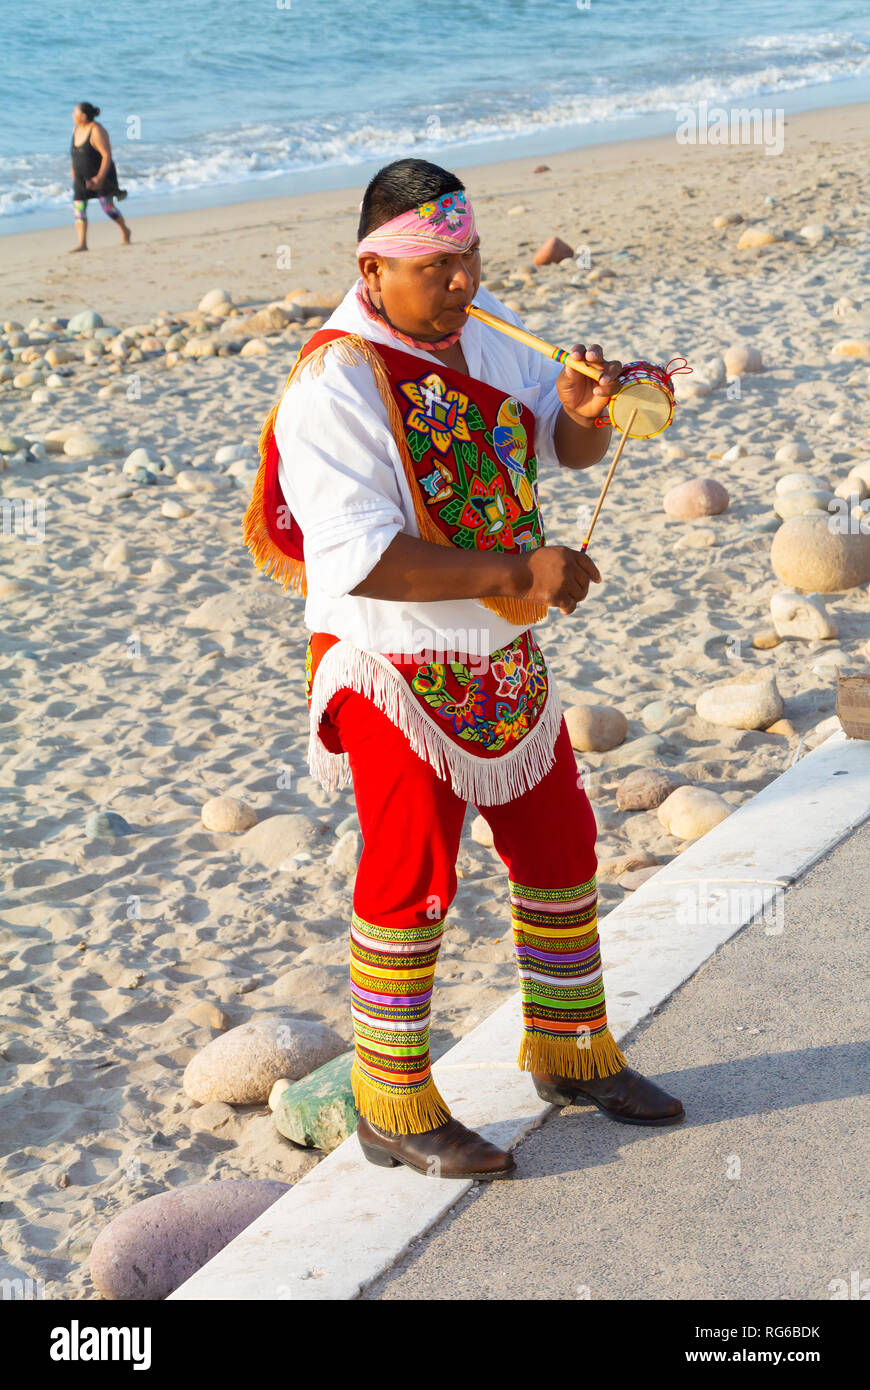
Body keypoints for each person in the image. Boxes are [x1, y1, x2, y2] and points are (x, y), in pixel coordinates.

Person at [244, 158, 685, 1181]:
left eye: (471, 256)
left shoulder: (478, 334)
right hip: (390, 660)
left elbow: (559, 446)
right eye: (438, 265)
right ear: (374, 266)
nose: (463, 281)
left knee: (562, 845)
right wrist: (522, 570)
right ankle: (393, 1104)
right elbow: (361, 554)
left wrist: (584, 409)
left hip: (499, 652)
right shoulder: (336, 379)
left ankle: (573, 1052)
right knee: (412, 877)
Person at [69, 102, 130, 251]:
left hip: (100, 175)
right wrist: (73, 173)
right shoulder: (75, 130)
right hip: (81, 177)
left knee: (108, 207)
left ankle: (125, 230)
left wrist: (100, 178)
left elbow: (107, 155)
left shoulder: (97, 131)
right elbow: (74, 156)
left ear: (83, 116)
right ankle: (82, 244)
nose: (72, 115)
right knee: (79, 208)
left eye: (75, 112)